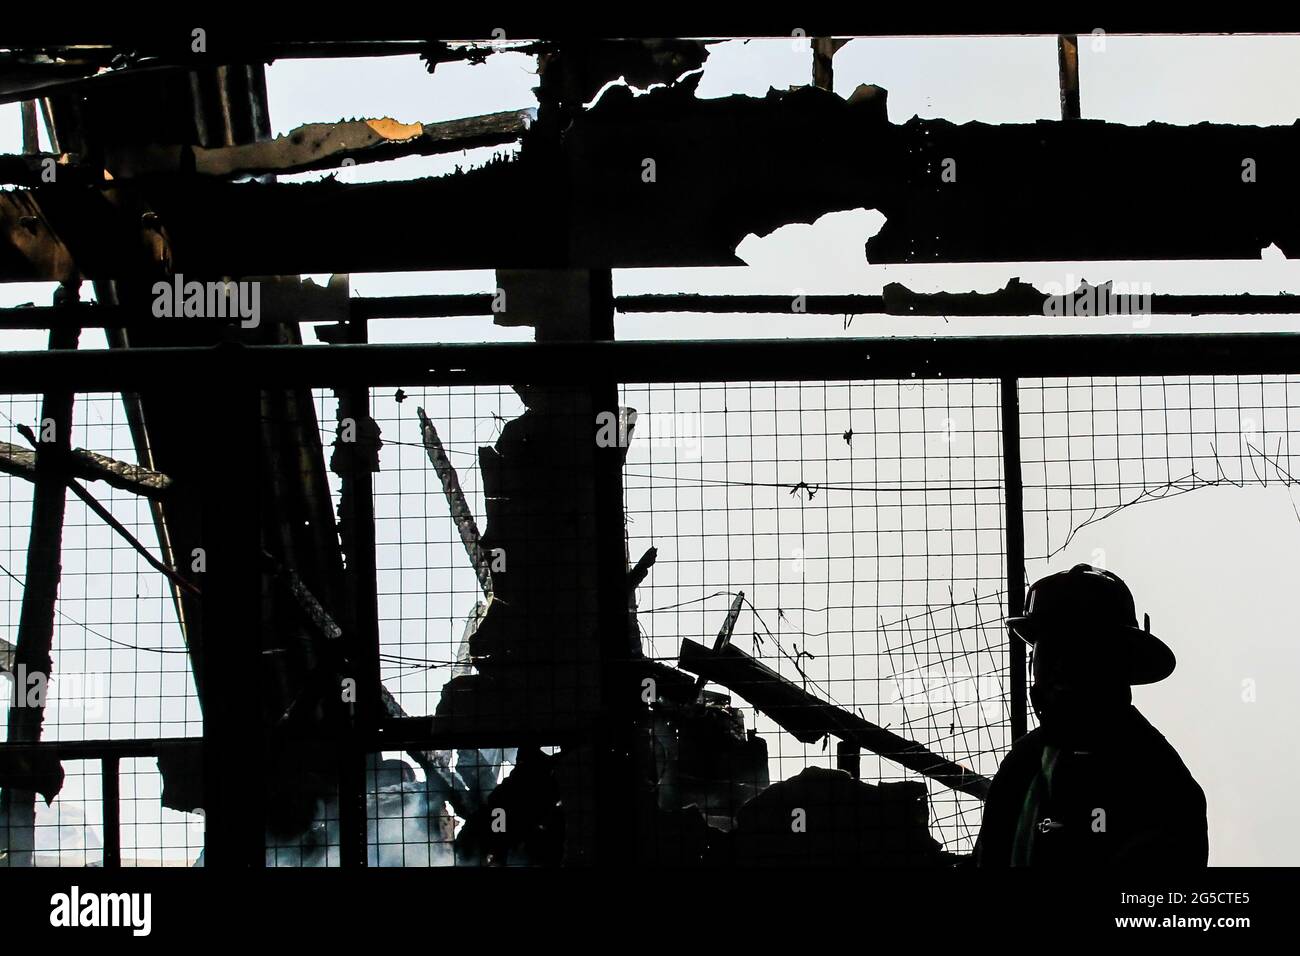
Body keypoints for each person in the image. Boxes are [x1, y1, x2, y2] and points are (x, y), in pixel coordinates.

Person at [974, 564, 1208, 867]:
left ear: (1112, 663)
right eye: (1045, 652)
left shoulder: (1159, 783)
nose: (1053, 669)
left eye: (1073, 652)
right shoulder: (1025, 761)